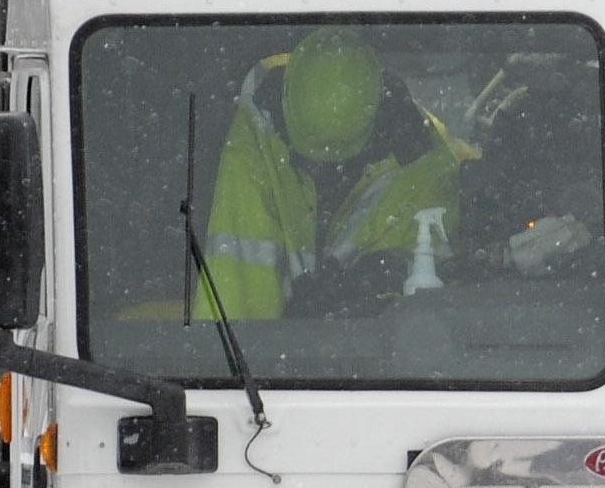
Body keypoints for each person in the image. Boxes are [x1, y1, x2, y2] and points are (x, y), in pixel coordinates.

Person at [194, 30, 472, 320]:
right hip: (256, 359)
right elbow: (235, 284)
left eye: (337, 157)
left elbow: (435, 280)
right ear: (284, 99)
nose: (320, 169)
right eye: (308, 155)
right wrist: (250, 353)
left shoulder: (424, 164)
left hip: (377, 356)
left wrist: (377, 281)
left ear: (376, 116)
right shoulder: (254, 140)